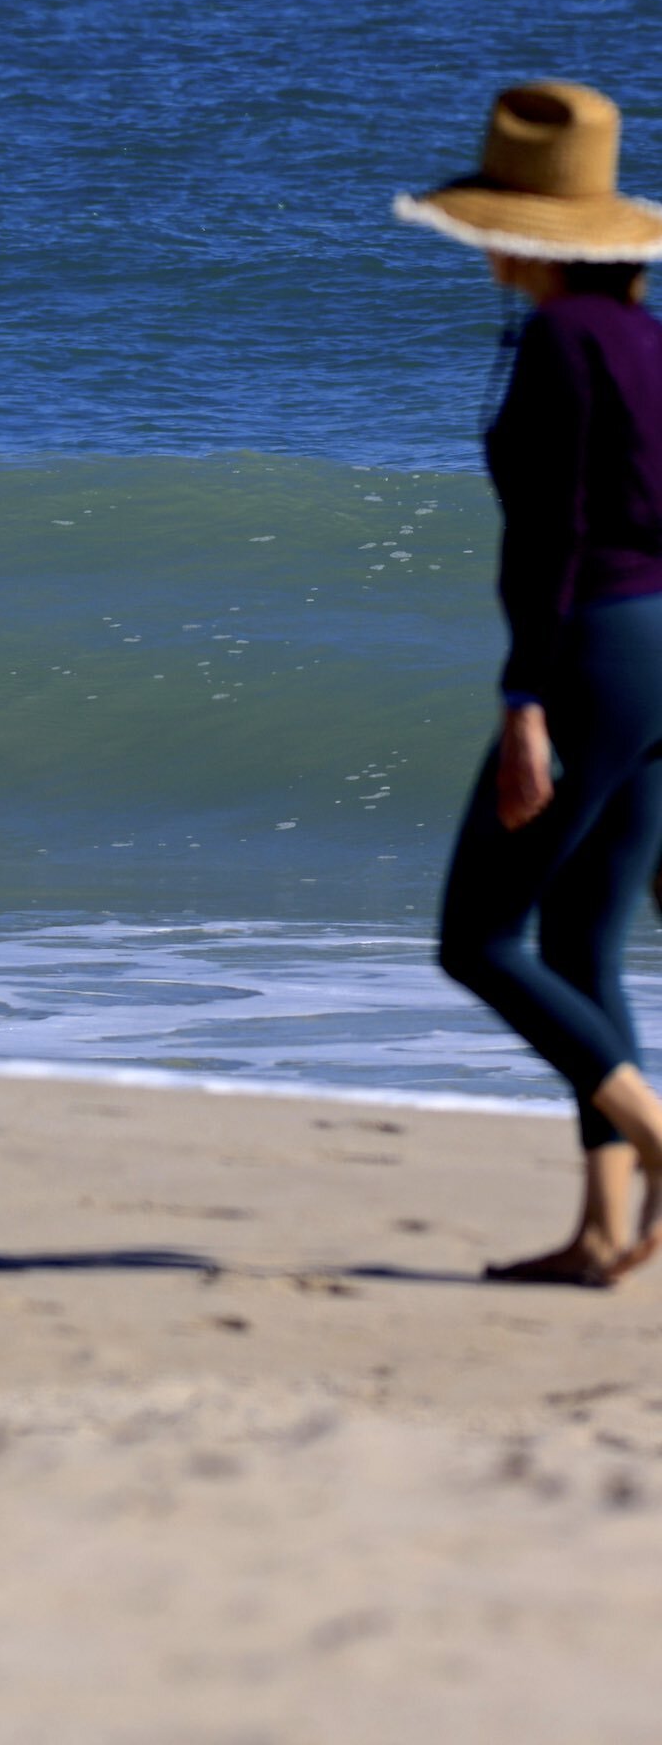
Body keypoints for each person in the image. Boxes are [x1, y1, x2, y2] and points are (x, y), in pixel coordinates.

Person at [401, 82, 662, 1286]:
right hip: (660, 647)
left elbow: (549, 535)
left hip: (598, 646)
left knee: (479, 934)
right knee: (581, 936)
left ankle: (660, 1147)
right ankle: (603, 1229)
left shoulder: (562, 339)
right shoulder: (646, 340)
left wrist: (525, 701)